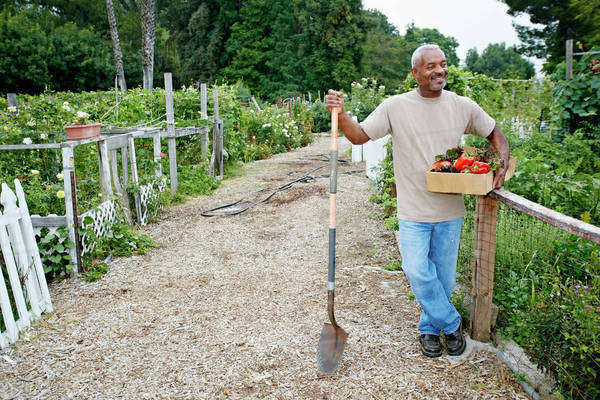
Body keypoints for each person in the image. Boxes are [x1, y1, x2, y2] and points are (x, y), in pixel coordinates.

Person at [325, 44, 510, 357]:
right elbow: (358, 136)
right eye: (430, 66)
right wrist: (341, 114)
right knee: (416, 271)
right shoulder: (395, 107)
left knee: (444, 279)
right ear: (415, 73)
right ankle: (452, 324)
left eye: (443, 64)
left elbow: (495, 133)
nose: (439, 71)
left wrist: (502, 160)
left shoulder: (461, 105)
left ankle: (429, 329)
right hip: (412, 210)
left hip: (450, 210)